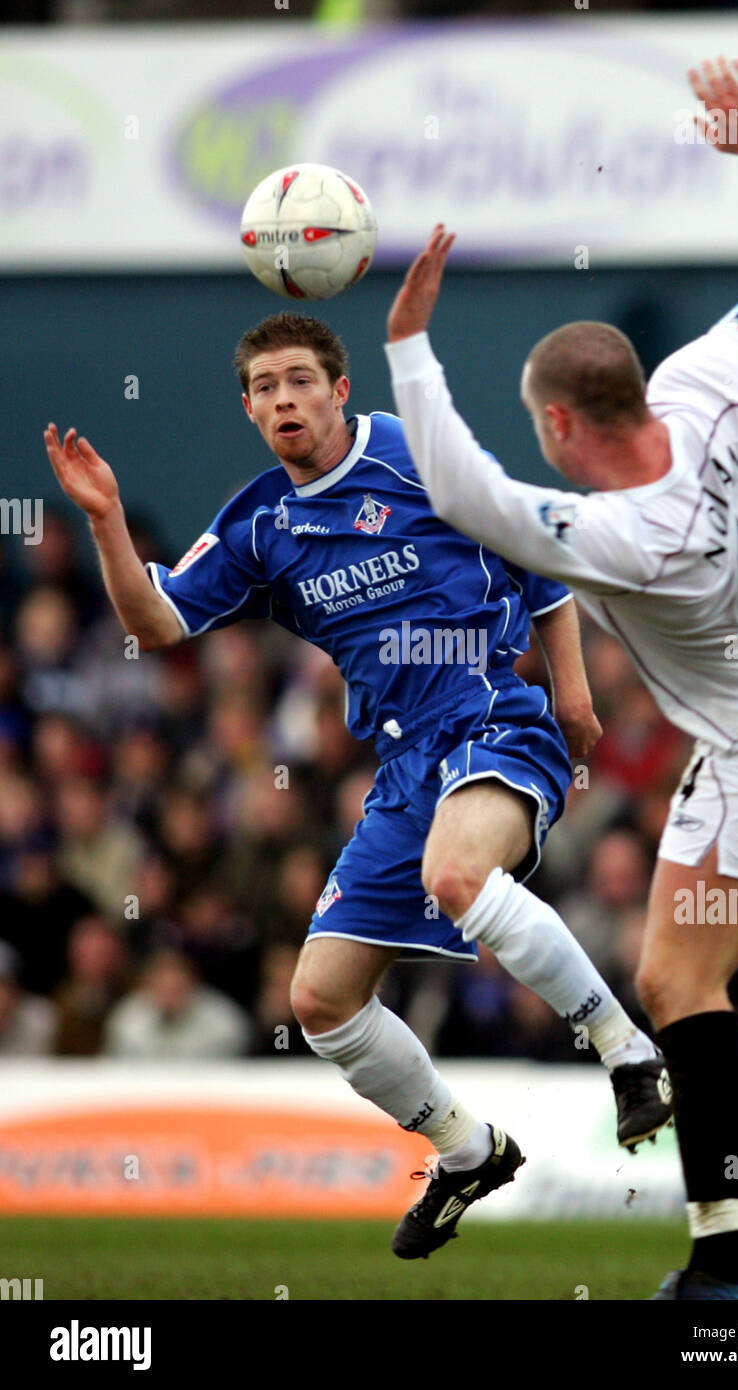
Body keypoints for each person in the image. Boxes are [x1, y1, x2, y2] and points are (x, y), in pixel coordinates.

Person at [383, 57, 738, 1297]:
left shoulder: (618, 535)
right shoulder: (728, 372)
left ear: (557, 425)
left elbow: (461, 494)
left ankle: (729, 1276)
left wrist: (409, 348)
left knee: (673, 980)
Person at [44, 312, 672, 1261]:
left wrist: (574, 689)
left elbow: (538, 558)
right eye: (265, 387)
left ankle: (629, 1053)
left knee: (460, 880)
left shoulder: (421, 456)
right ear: (249, 407)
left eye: (302, 379)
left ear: (341, 392)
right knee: (321, 1002)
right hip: (404, 767)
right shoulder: (261, 524)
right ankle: (466, 1152)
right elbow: (161, 622)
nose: (284, 398)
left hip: (494, 716)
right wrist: (107, 522)